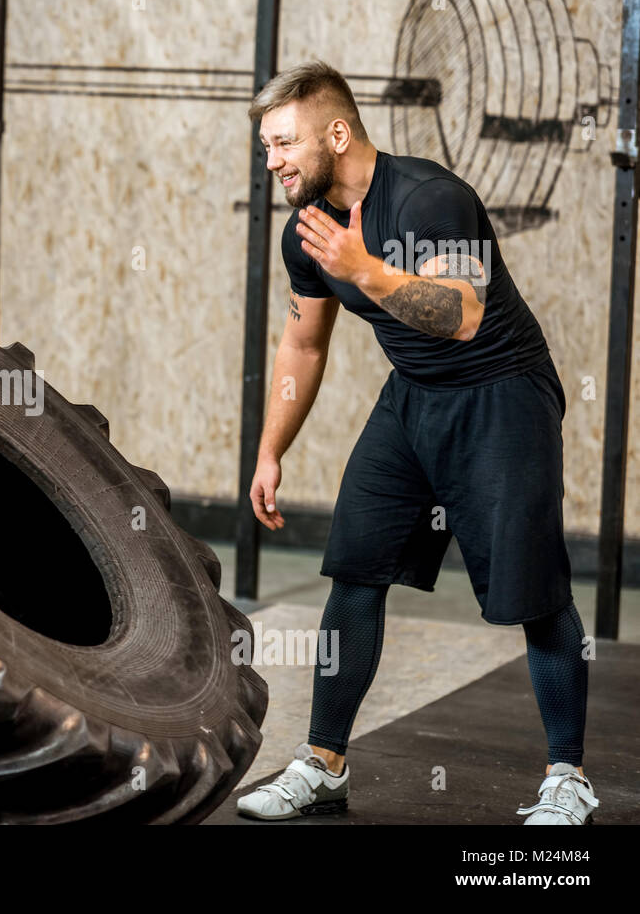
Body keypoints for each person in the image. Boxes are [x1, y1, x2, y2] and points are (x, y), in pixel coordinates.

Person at [236, 61, 597, 825]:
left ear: (337, 133)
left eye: (283, 143)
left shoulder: (432, 198)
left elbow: (461, 312)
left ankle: (568, 775)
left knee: (534, 591)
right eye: (266, 147)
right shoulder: (308, 232)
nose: (272, 162)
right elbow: (304, 346)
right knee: (354, 567)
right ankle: (324, 760)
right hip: (414, 398)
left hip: (503, 394)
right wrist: (270, 450)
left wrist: (363, 268)